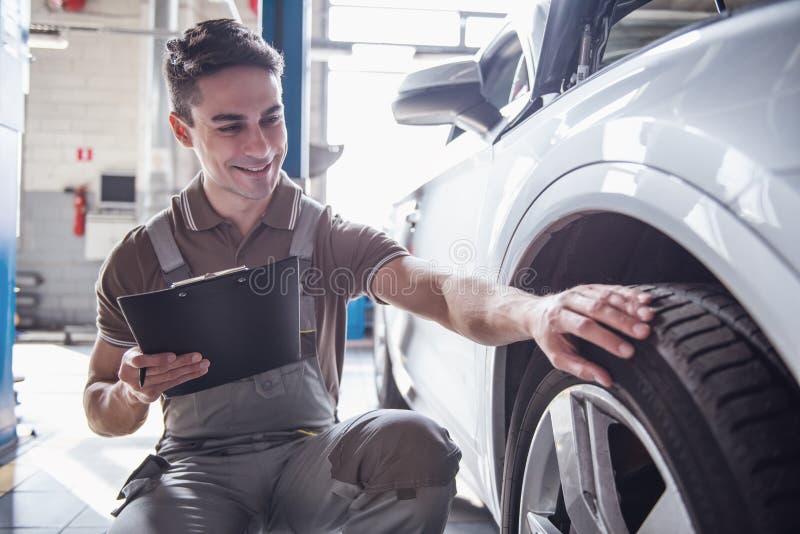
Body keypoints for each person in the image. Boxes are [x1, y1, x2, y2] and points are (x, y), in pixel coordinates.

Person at [83, 19, 654, 534]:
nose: (260, 146)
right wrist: (133, 391)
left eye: (272, 118)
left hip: (311, 461)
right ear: (184, 131)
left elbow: (439, 291)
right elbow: (98, 402)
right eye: (230, 126)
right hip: (195, 470)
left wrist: (536, 311)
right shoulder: (141, 258)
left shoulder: (326, 236)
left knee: (413, 444)